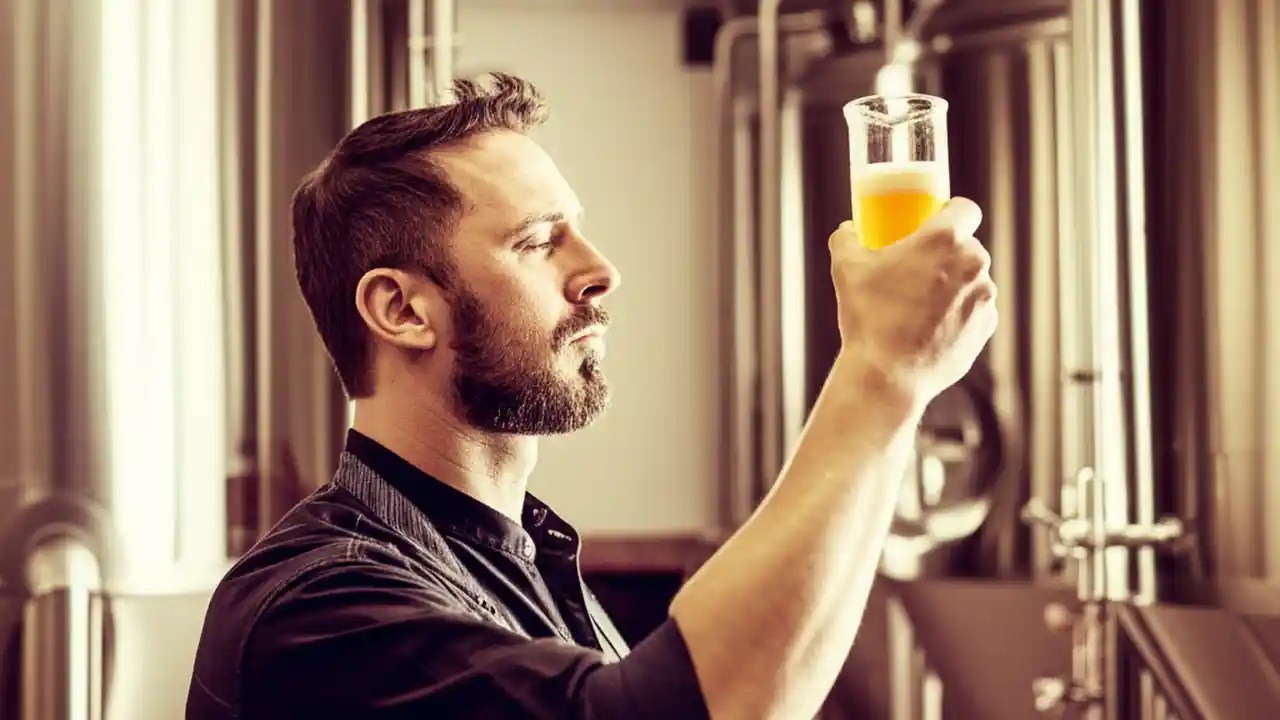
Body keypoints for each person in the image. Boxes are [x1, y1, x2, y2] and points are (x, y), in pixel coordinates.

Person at [186, 74, 996, 720]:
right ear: (401, 310)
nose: (601, 270)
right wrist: (881, 371)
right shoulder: (318, 610)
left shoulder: (521, 560)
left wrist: (899, 382)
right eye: (540, 241)